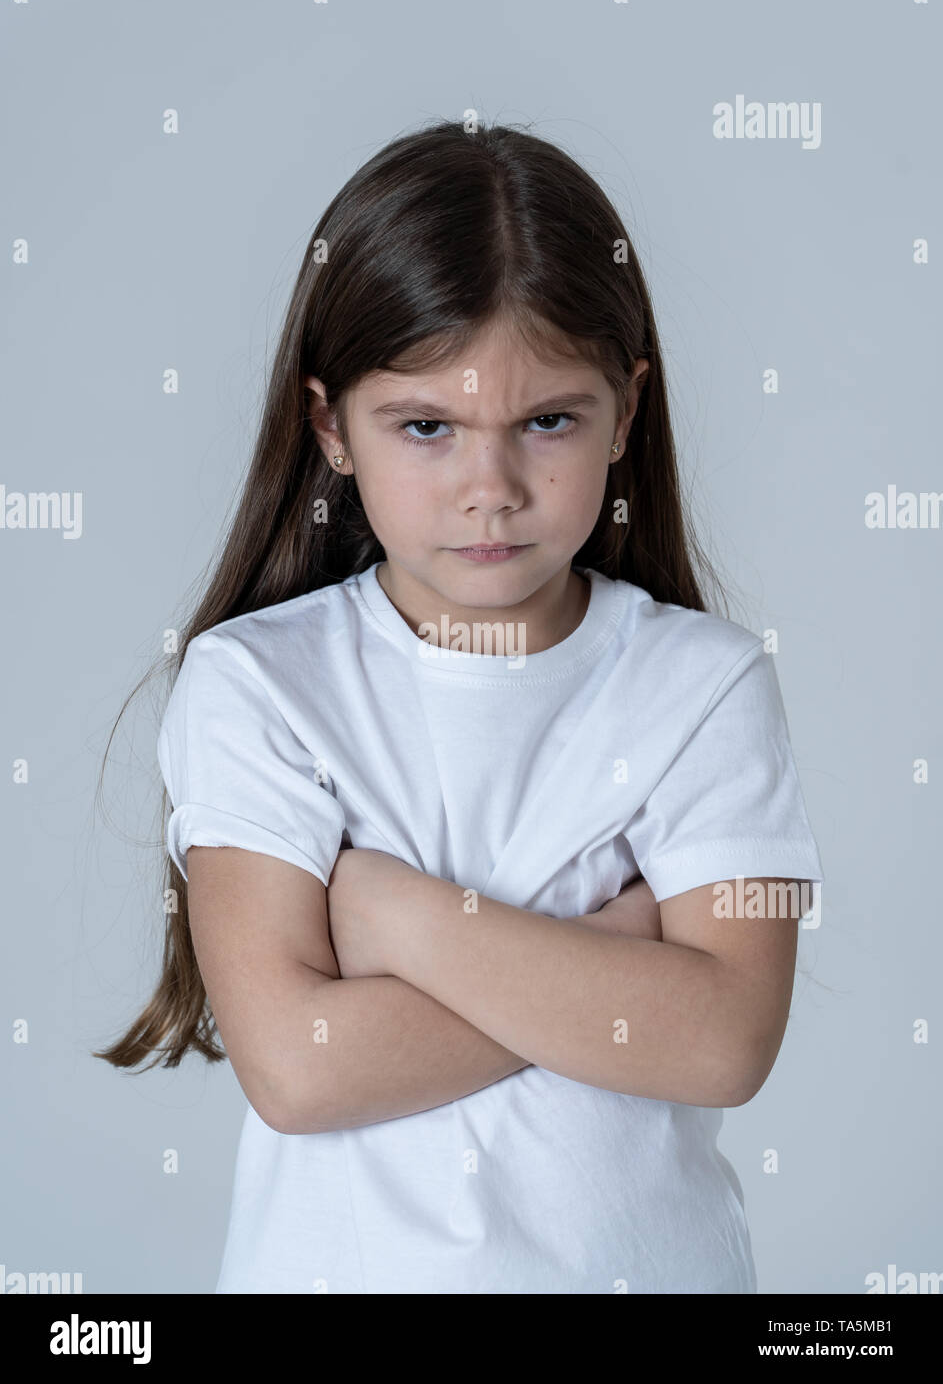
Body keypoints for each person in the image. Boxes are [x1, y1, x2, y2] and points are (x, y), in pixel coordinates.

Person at [95, 118, 824, 1294]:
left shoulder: (705, 684)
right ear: (331, 425)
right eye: (425, 427)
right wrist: (616, 954)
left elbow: (726, 1042)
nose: (490, 490)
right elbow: (301, 1068)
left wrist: (399, 918)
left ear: (625, 411)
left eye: (548, 421)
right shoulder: (258, 685)